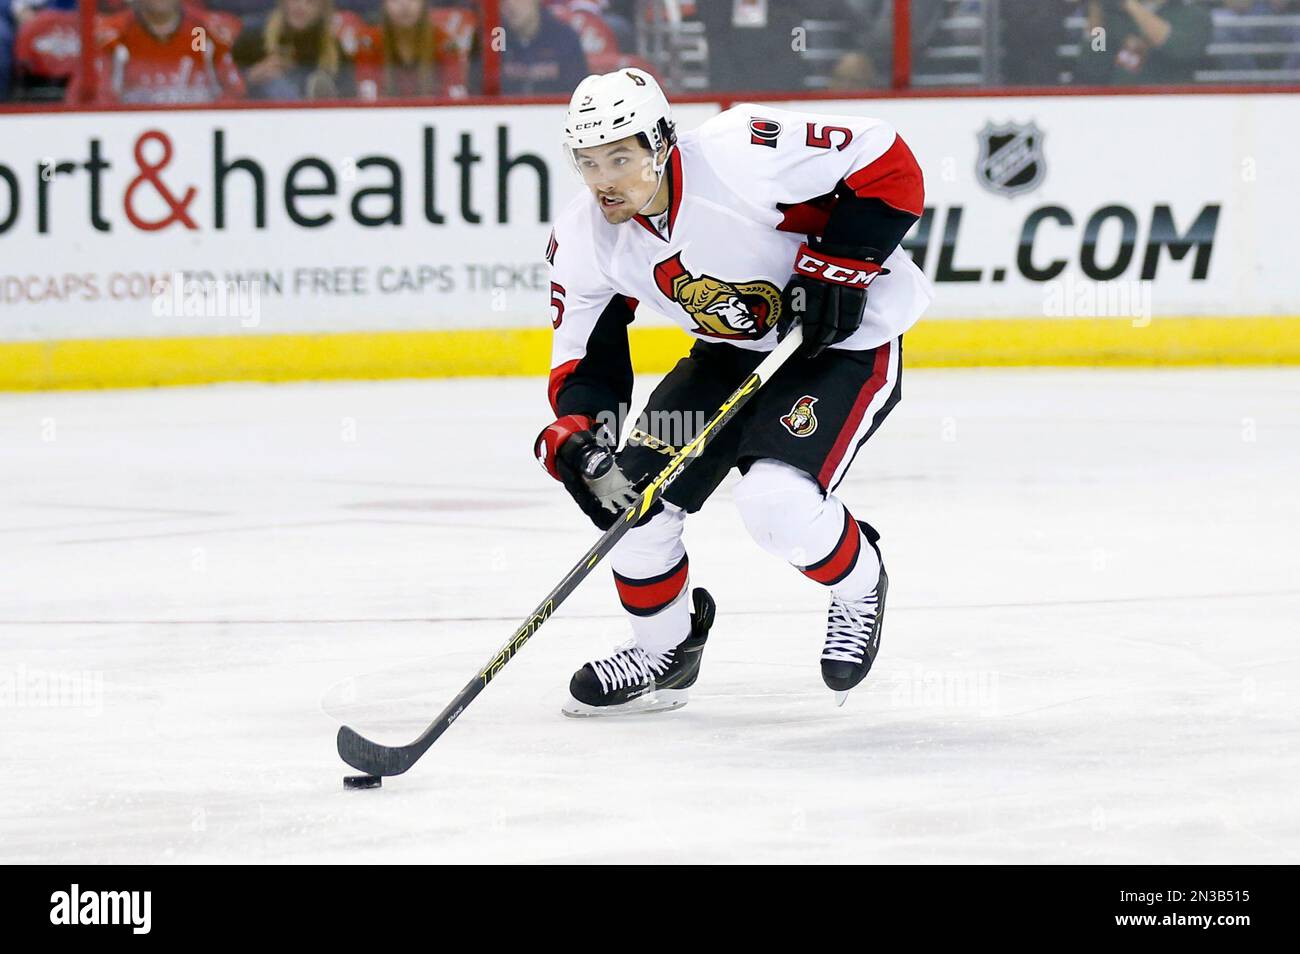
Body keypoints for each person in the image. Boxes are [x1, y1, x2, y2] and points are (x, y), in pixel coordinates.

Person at [535, 69, 932, 716]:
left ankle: (860, 584)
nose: (603, 179)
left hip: (839, 345)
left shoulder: (740, 148)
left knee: (775, 503)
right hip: (729, 356)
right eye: (587, 162)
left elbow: (888, 160)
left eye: (620, 157)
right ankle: (667, 650)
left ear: (661, 144)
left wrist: (841, 264)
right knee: (628, 508)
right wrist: (582, 435)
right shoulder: (585, 236)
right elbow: (588, 355)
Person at [71, 0, 245, 104]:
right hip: (129, 135)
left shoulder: (205, 32)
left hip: (200, 137)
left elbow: (235, 92)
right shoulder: (110, 35)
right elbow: (89, 99)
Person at [232, 0, 355, 99]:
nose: (300, 6)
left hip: (315, 121)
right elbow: (224, 88)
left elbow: (349, 96)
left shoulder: (335, 49)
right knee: (274, 83)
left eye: (310, 2)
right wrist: (250, 77)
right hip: (262, 118)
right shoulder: (253, 36)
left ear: (322, 9)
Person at [1075, 0, 1213, 84]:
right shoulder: (1115, 16)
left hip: (1172, 105)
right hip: (1119, 104)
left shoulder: (1193, 15)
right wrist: (1096, 10)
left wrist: (1130, 4)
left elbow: (1177, 47)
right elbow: (1092, 66)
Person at [354, 0, 470, 99]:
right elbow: (366, 97)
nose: (405, 5)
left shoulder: (443, 42)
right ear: (384, 3)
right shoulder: (370, 42)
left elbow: (455, 97)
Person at [499, 0, 588, 94]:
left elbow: (578, 89)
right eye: (503, 1)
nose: (510, 5)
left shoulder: (564, 38)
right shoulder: (494, 40)